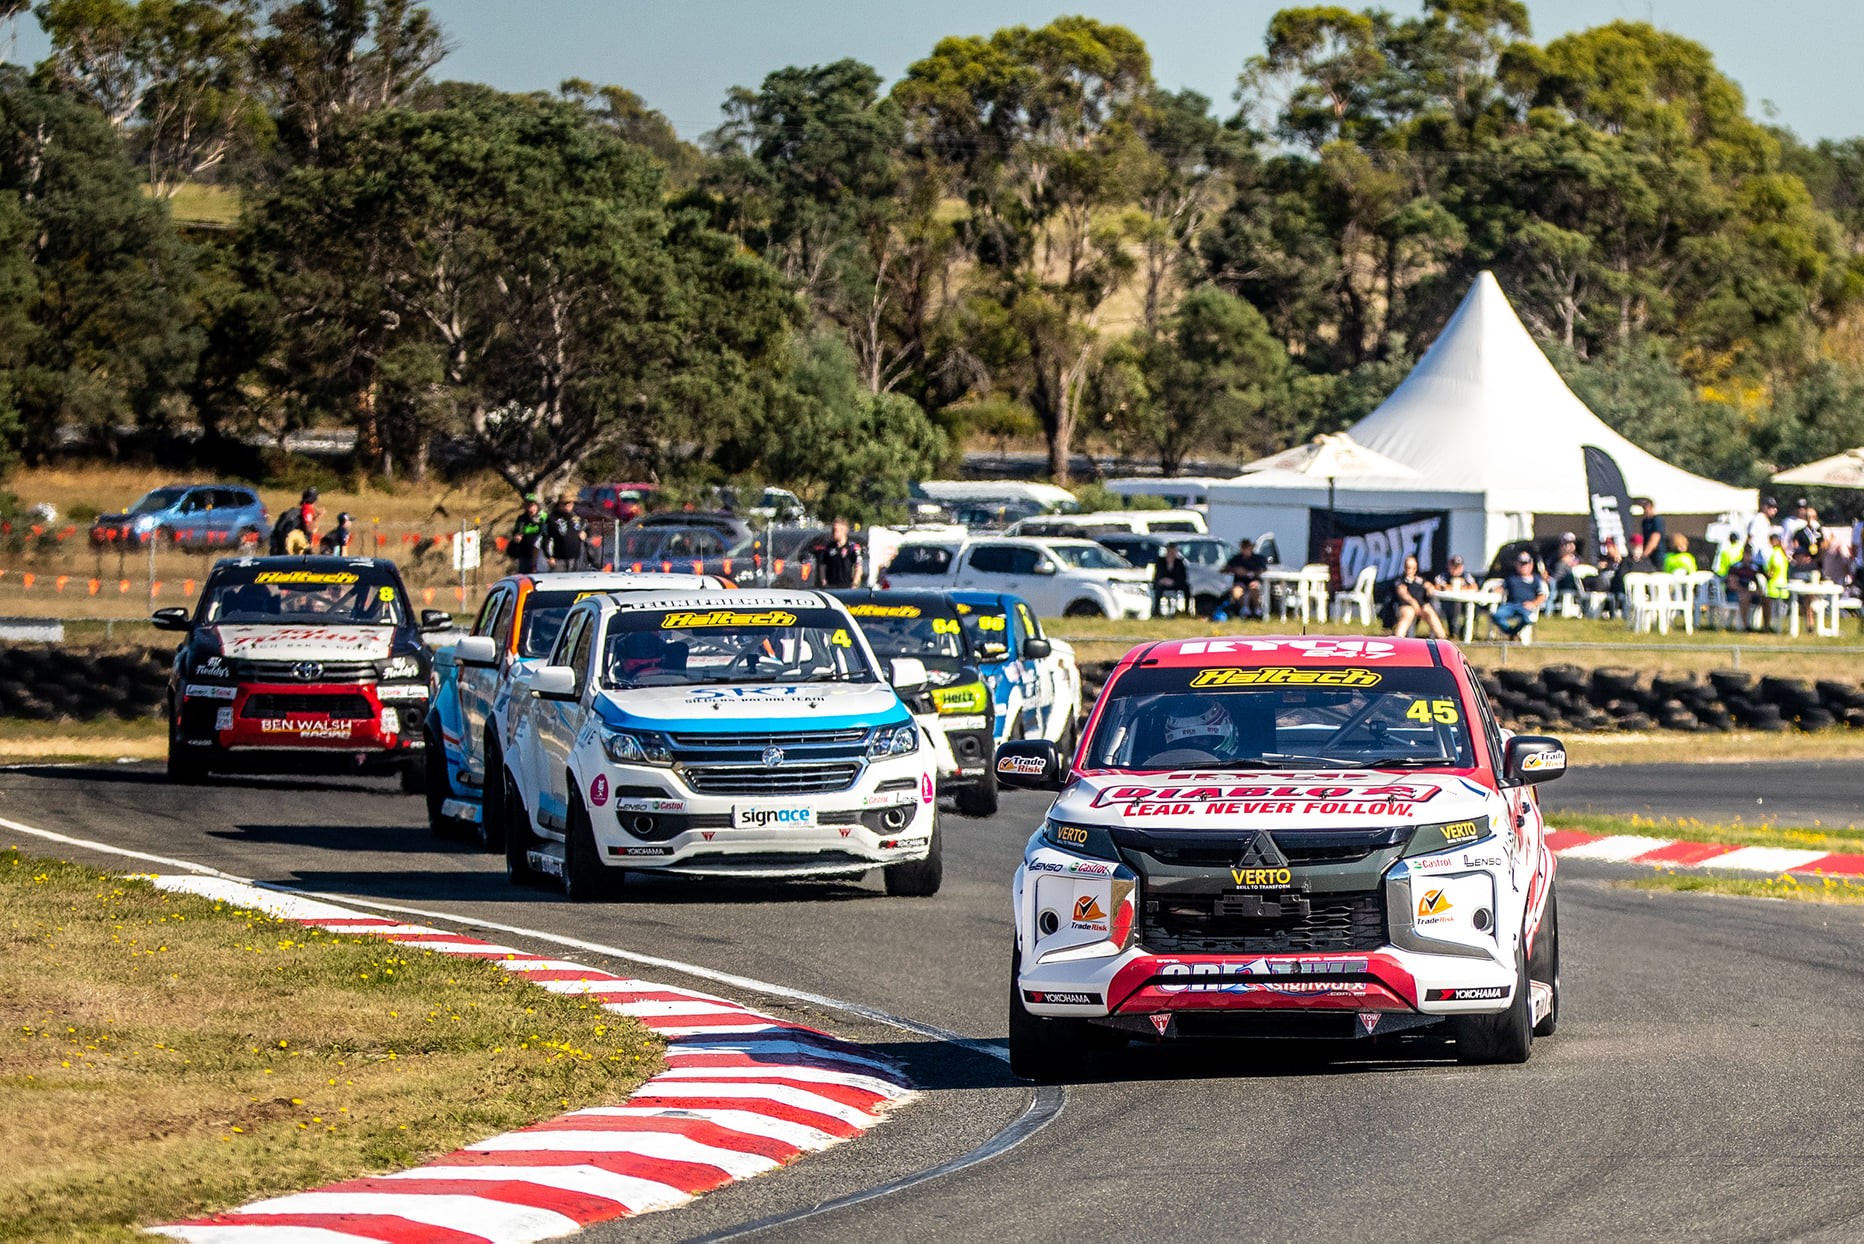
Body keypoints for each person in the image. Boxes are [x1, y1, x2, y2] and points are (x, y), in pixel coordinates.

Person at [1491, 551, 1548, 640]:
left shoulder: (1536, 580)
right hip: (1510, 605)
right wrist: (1493, 590)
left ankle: (1513, 634)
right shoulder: (1511, 578)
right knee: (1497, 616)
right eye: (1521, 564)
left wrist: (1533, 603)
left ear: (1531, 565)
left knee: (1527, 619)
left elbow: (1542, 595)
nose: (1523, 566)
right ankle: (1512, 633)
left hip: (1525, 606)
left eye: (1525, 564)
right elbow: (1501, 588)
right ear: (1516, 564)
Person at [1391, 554, 1448, 639]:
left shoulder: (1419, 579)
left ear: (1416, 568)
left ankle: (1442, 638)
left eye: (1413, 568)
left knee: (1430, 612)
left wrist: (1430, 588)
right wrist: (1413, 602)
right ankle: (1398, 639)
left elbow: (1428, 585)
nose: (1410, 570)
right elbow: (1402, 592)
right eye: (1408, 567)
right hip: (1406, 605)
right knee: (1408, 613)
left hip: (1421, 605)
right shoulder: (1400, 579)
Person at [1217, 539, 1268, 620]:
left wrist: (1252, 573)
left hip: (1253, 581)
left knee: (1254, 588)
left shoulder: (1257, 559)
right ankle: (1244, 610)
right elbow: (1223, 569)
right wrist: (1235, 570)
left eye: (1247, 547)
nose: (1245, 550)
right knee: (1237, 590)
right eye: (1243, 547)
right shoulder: (1236, 559)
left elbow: (1263, 569)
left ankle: (1257, 610)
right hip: (1240, 582)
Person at [1431, 553, 1479, 633]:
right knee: (1454, 606)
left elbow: (1475, 587)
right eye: (1453, 566)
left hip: (1464, 601)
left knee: (1475, 609)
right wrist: (1451, 587)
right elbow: (1438, 586)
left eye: (1458, 567)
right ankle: (1453, 629)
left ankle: (1464, 630)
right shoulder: (1444, 575)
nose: (1455, 569)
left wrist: (1460, 588)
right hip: (1446, 602)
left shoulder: (1466, 575)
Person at [543, 493, 587, 572]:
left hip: (576, 558)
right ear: (559, 504)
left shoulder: (577, 518)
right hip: (558, 559)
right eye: (565, 503)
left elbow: (586, 529)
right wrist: (549, 556)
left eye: (571, 503)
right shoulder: (551, 519)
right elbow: (546, 539)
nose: (568, 505)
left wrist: (584, 534)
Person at [813, 517, 862, 588]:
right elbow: (822, 565)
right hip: (831, 587)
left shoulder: (852, 547)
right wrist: (823, 581)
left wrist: (855, 583)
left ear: (843, 530)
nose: (833, 532)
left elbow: (858, 567)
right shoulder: (828, 548)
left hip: (847, 587)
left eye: (835, 530)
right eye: (832, 530)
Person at [509, 495, 546, 573]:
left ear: (537, 505)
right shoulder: (522, 518)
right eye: (527, 504)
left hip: (540, 555)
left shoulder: (544, 517)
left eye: (532, 505)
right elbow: (517, 531)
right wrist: (517, 537)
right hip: (525, 554)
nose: (530, 508)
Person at [1152, 542, 1191, 616]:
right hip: (1163, 583)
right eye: (1170, 551)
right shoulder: (1160, 561)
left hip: (1175, 583)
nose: (1172, 553)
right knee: (1158, 588)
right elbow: (1158, 574)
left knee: (1186, 587)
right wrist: (1164, 580)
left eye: (1174, 551)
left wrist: (1174, 581)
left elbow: (1183, 576)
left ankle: (1186, 610)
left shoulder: (1179, 562)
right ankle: (1156, 610)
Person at [1634, 498, 1666, 563]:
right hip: (1647, 554)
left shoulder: (1657, 520)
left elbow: (1655, 538)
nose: (1644, 511)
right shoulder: (1645, 521)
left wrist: (1645, 554)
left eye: (1645, 508)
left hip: (1656, 554)